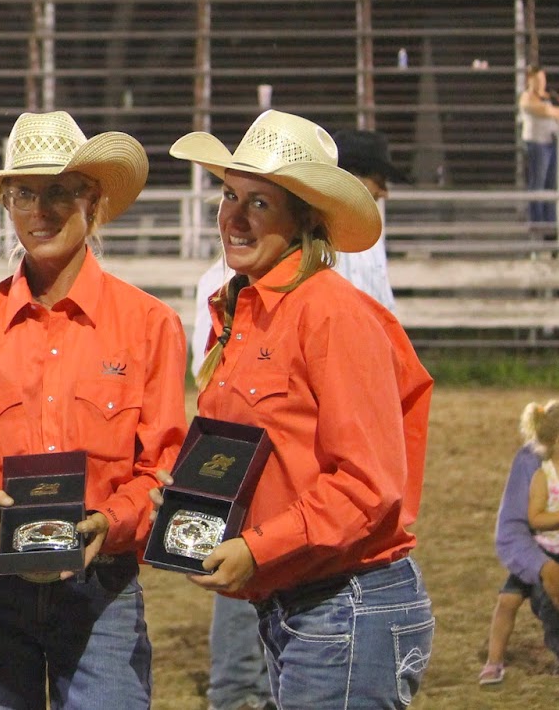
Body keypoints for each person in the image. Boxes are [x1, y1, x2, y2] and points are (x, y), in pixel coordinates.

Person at [168, 109, 435, 710]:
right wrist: (190, 499)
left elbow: (367, 485)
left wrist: (256, 547)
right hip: (310, 601)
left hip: (345, 602)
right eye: (230, 195)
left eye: (259, 203)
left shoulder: (330, 314)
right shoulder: (249, 310)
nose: (234, 217)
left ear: (305, 218)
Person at [0, 111, 187, 709]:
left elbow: (163, 463)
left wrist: (113, 520)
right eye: (24, 194)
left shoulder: (150, 325)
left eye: (59, 192)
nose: (40, 211)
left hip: (102, 584)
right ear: (6, 204)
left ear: (92, 201)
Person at [481, 398, 559, 684]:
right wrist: (542, 566)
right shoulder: (537, 469)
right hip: (544, 549)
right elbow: (525, 522)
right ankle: (493, 662)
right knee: (510, 600)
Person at [520, 68, 559, 226]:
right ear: (530, 80)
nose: (541, 83)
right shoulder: (526, 97)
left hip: (551, 143)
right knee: (538, 184)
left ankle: (550, 223)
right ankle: (537, 223)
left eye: (543, 79)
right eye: (537, 79)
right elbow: (543, 110)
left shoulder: (549, 96)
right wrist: (552, 111)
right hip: (537, 145)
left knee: (551, 185)